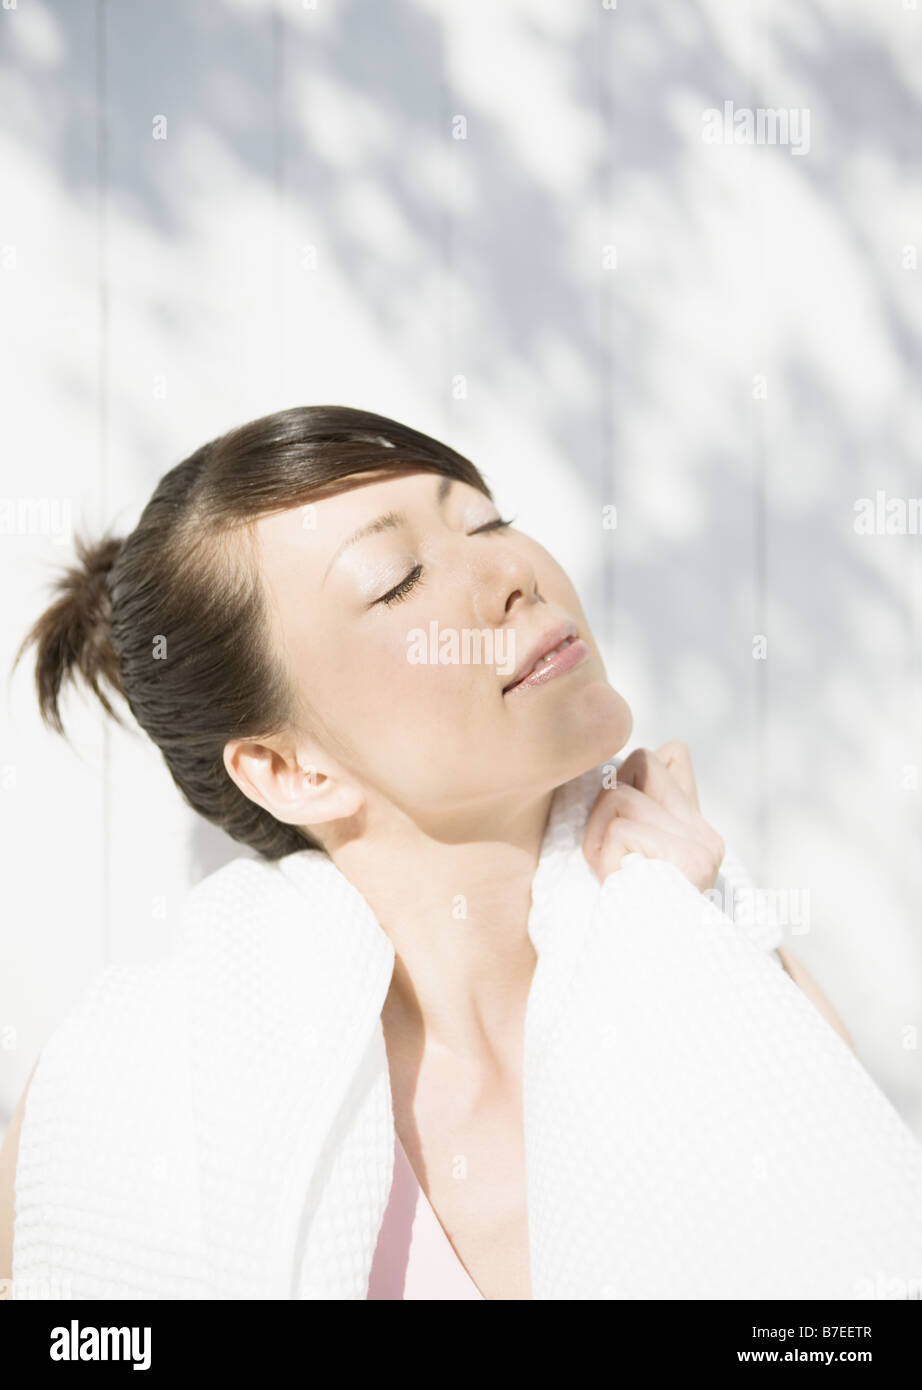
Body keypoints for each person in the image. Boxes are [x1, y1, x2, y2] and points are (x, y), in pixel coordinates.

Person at [0, 405, 858, 1300]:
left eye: (488, 521)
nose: (509, 573)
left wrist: (690, 959)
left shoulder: (718, 951)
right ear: (289, 770)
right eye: (397, 580)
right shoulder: (131, 1102)